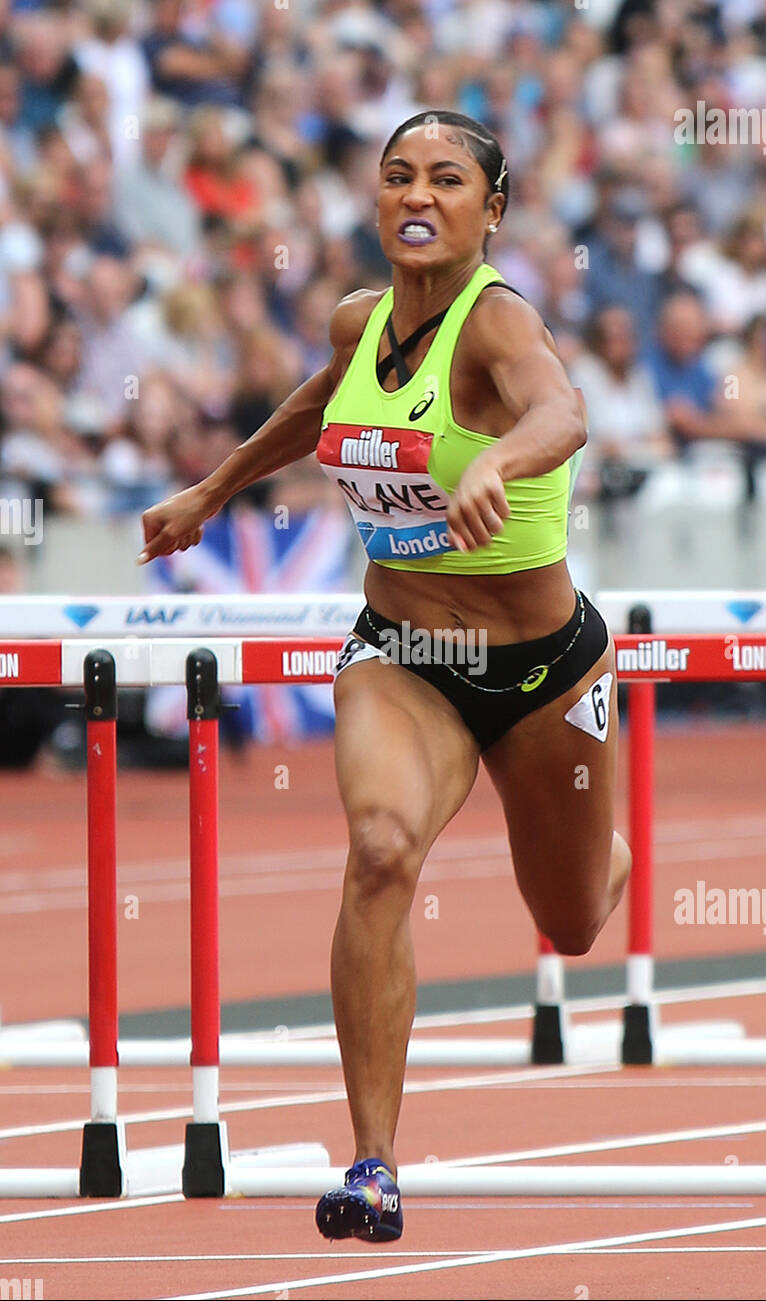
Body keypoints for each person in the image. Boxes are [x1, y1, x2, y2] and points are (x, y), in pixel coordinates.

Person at [138, 110, 631, 1244]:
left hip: (540, 671)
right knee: (377, 849)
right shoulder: (360, 320)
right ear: (373, 199)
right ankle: (372, 1164)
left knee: (567, 925)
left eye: (447, 180)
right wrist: (209, 494)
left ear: (489, 208)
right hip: (403, 654)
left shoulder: (496, 323)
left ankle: (600, 852)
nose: (418, 194)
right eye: (397, 175)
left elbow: (563, 409)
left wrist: (499, 460)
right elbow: (319, 405)